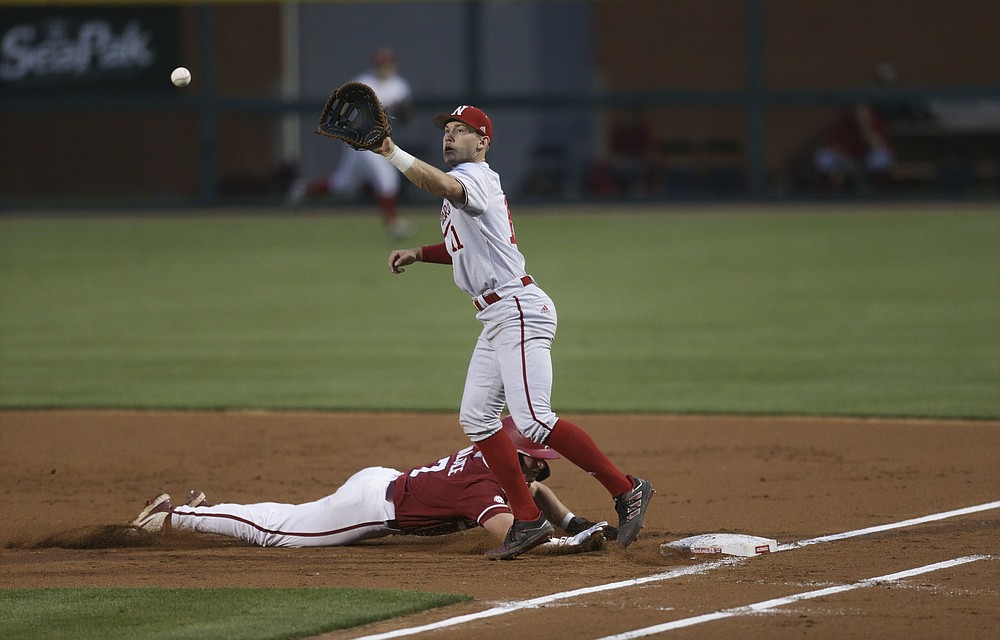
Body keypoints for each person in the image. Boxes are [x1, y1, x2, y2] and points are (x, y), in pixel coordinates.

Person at [378, 105, 654, 560]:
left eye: (460, 131)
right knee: (478, 418)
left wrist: (391, 152)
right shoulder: (462, 193)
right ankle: (526, 520)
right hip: (497, 315)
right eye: (446, 131)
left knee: (533, 419)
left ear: (483, 142)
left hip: (518, 308)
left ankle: (627, 489)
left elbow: (440, 183)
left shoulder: (476, 177)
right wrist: (418, 253)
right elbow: (463, 249)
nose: (449, 137)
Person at [128, 419, 615, 555]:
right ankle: (175, 515)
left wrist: (573, 521)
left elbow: (532, 498)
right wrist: (566, 543)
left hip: (383, 483)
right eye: (534, 462)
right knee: (277, 532)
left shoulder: (495, 461)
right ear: (513, 453)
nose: (539, 472)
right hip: (367, 507)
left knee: (290, 517)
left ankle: (206, 512)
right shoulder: (482, 484)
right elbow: (515, 531)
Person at [289, 48, 414, 238]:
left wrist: (402, 112)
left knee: (343, 185)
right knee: (387, 179)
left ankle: (302, 191)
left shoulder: (400, 86)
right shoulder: (362, 83)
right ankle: (393, 225)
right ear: (375, 66)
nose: (385, 68)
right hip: (360, 141)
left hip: (379, 141)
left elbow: (404, 118)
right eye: (381, 64)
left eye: (388, 64)